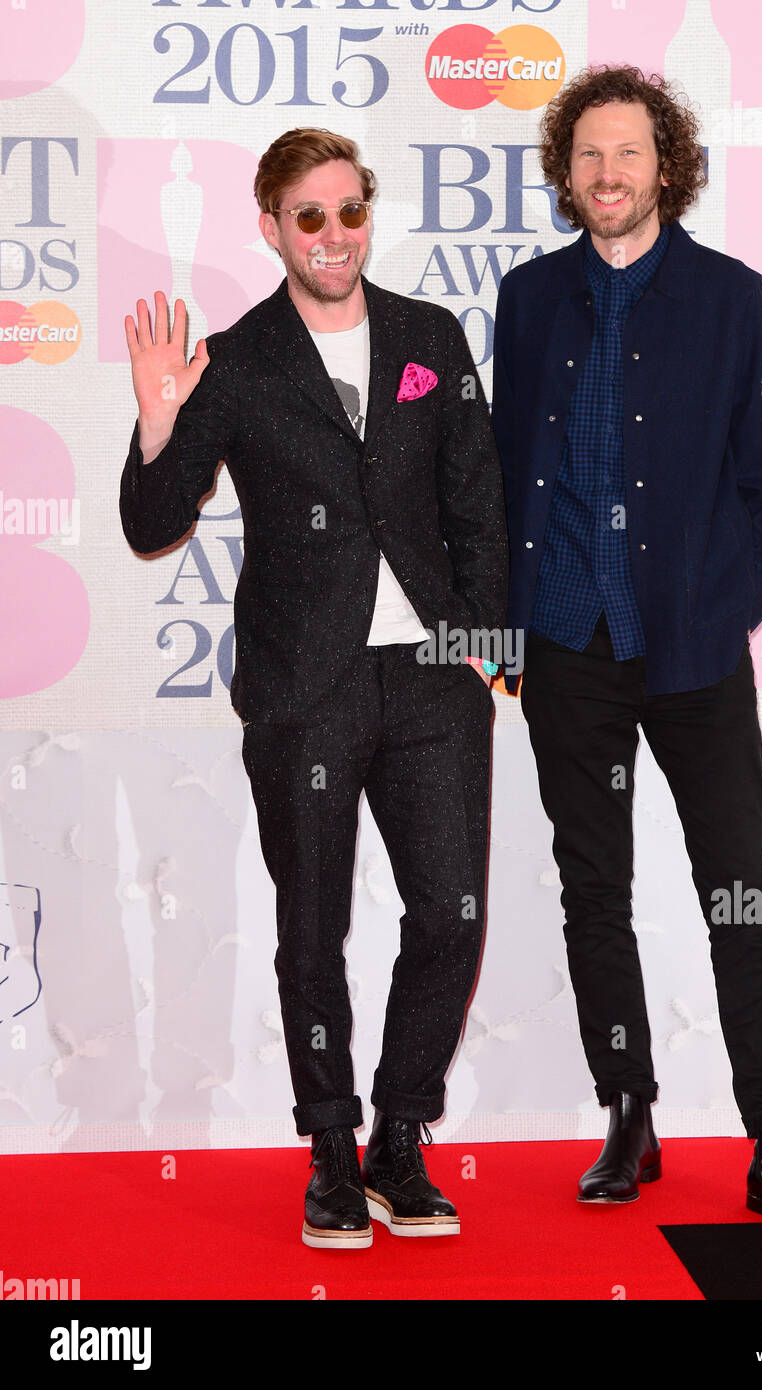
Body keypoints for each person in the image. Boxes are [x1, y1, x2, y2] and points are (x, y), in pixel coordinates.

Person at [491, 66, 762, 1235]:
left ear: (667, 167)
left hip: (693, 650)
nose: (608, 174)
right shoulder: (528, 298)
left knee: (738, 894)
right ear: (567, 172)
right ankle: (628, 1110)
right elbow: (505, 476)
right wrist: (505, 622)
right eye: (588, 155)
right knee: (592, 891)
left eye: (629, 153)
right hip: (565, 643)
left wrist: (721, 604)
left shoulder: (729, 297)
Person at [120, 128, 507, 1249]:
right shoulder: (238, 361)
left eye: (349, 212)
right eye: (309, 217)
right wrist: (155, 427)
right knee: (312, 930)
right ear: (270, 227)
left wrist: (483, 643)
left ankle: (400, 1138)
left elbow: (477, 500)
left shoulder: (430, 336)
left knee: (449, 914)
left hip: (433, 682)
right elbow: (154, 525)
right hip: (305, 687)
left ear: (365, 216)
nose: (333, 236)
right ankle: (331, 1155)